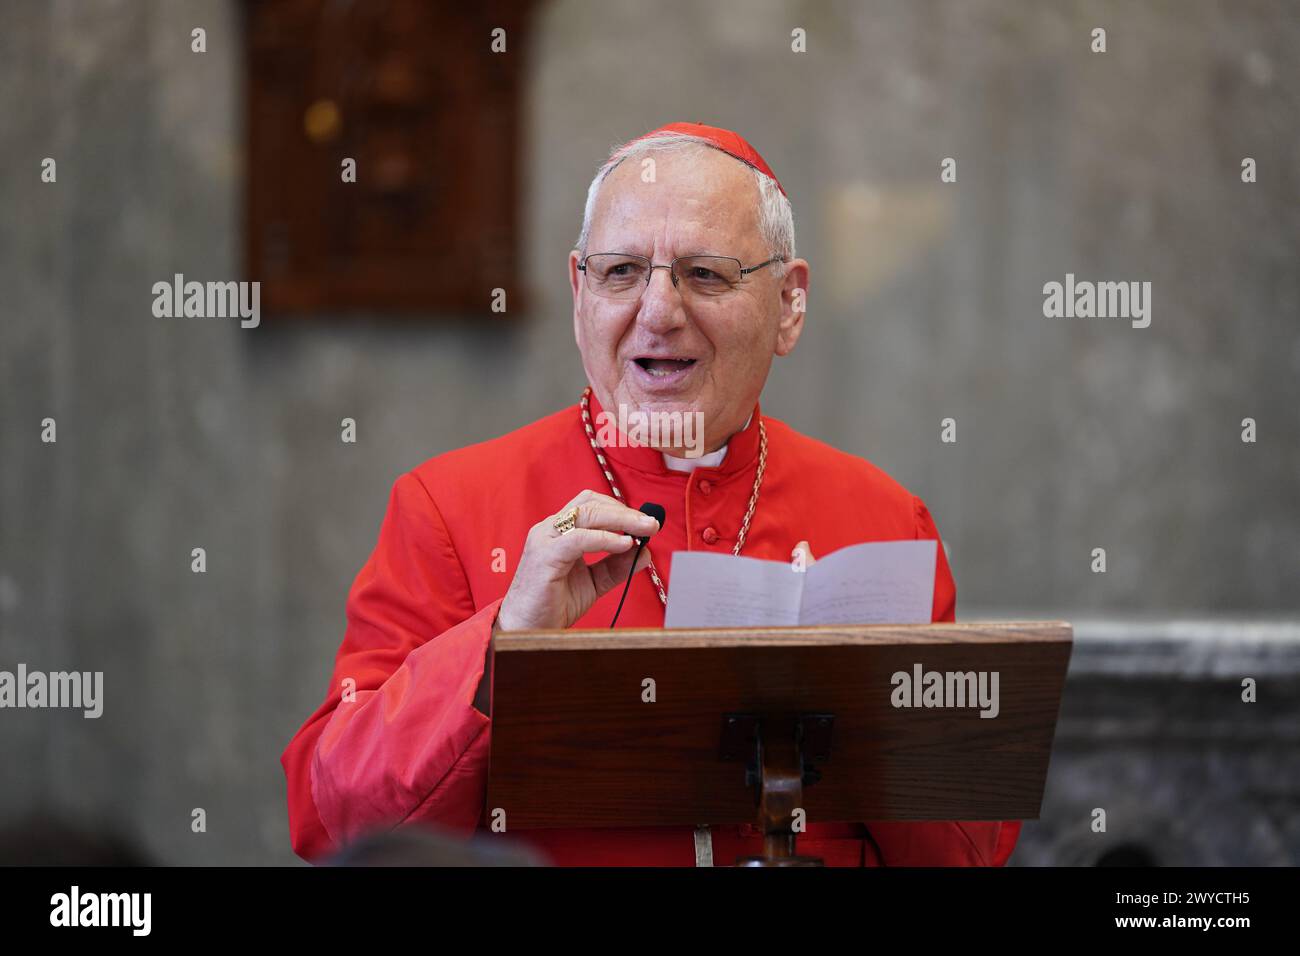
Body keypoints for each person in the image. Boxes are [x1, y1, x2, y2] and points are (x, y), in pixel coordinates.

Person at [281, 121, 1021, 866]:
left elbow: (970, 855)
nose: (659, 313)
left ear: (789, 304)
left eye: (705, 273)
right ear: (580, 293)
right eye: (622, 272)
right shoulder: (446, 508)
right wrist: (503, 644)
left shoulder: (882, 519)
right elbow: (333, 821)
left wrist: (876, 713)